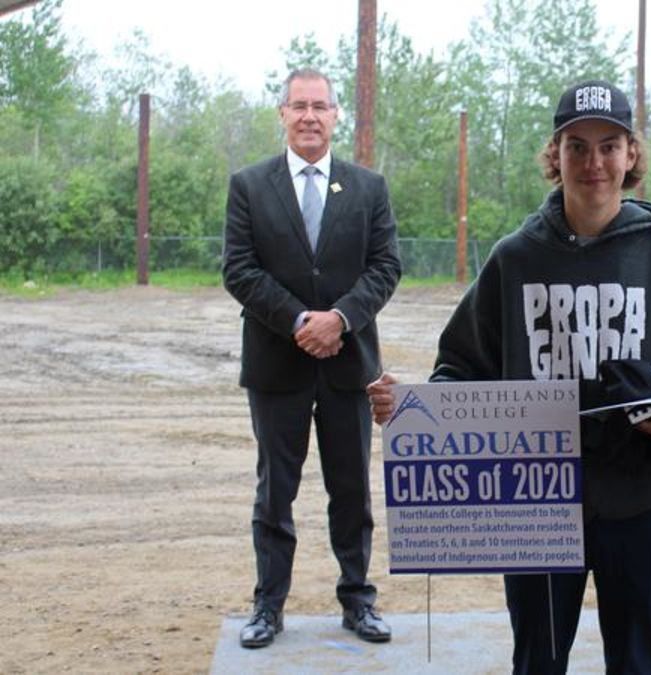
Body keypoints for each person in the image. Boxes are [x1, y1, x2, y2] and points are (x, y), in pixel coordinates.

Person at [368, 79, 651, 674]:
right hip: (536, 507)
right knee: (538, 663)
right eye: (576, 146)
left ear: (631, 156)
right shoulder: (515, 259)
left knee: (637, 662)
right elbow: (461, 369)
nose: (593, 162)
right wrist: (415, 406)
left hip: (641, 504)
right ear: (555, 155)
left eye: (608, 145)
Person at [222, 68, 402, 649]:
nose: (309, 116)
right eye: (298, 106)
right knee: (275, 492)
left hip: (350, 365)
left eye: (319, 106)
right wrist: (300, 321)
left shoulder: (368, 188)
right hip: (277, 366)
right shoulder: (249, 185)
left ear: (335, 115)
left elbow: (385, 267)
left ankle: (357, 600)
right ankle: (268, 607)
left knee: (351, 489)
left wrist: (340, 319)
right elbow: (239, 269)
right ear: (282, 113)